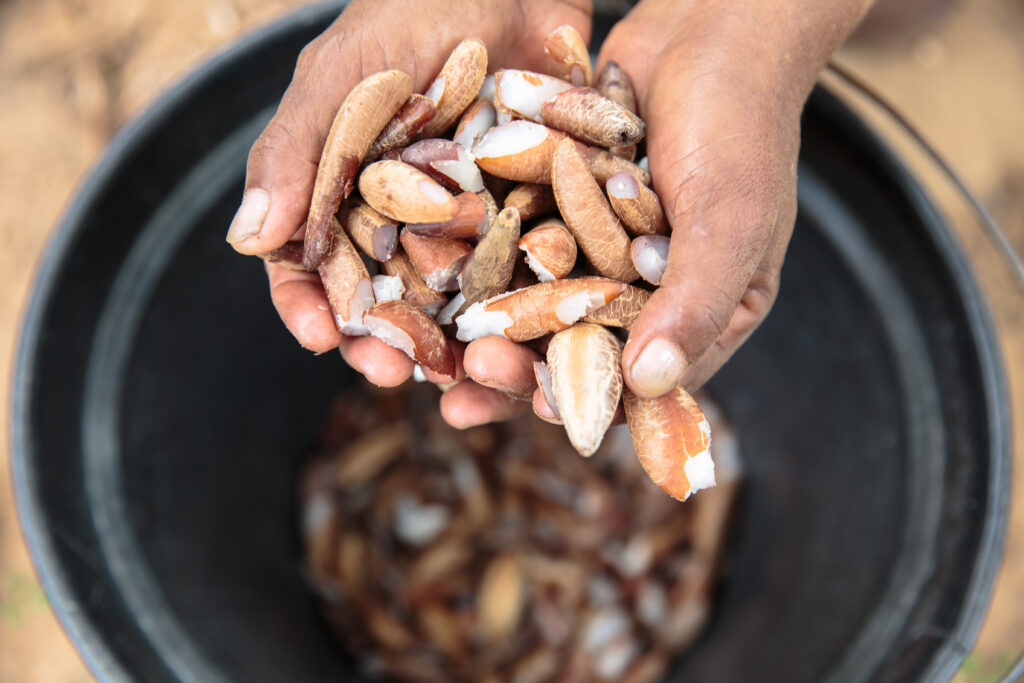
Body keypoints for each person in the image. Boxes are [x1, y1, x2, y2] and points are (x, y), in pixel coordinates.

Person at [226, 0, 871, 428]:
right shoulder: (465, 205)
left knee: (886, 23)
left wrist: (755, 27)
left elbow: (578, 190)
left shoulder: (567, 180)